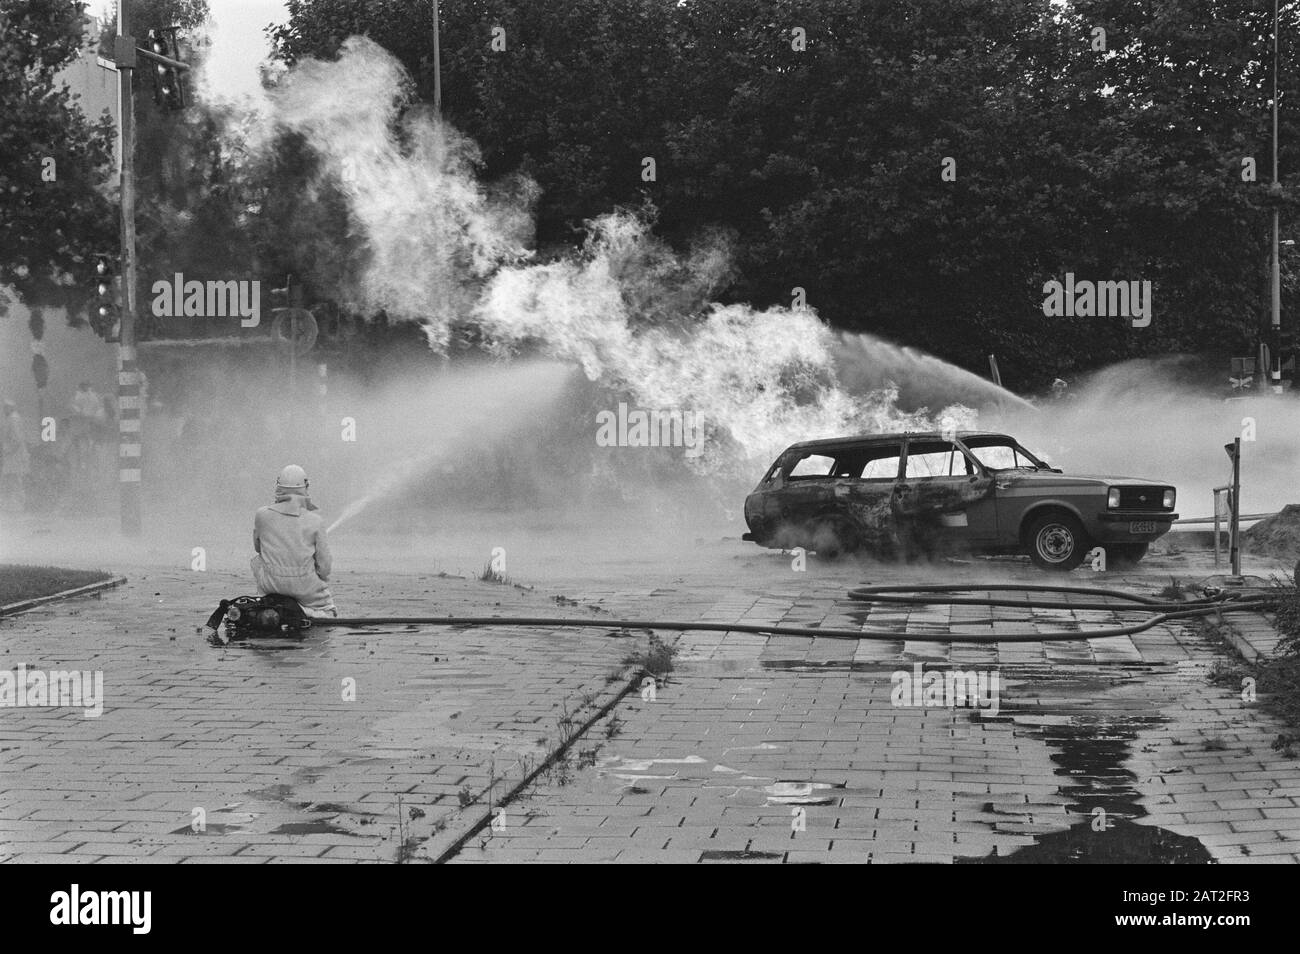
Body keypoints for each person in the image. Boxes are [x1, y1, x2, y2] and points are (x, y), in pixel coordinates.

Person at [250, 464, 337, 618]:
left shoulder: (261, 515)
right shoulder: (315, 521)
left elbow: (258, 548)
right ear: (306, 487)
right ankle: (308, 612)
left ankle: (268, 605)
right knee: (328, 611)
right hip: (307, 590)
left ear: (278, 487)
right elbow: (325, 567)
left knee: (257, 561)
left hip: (271, 586)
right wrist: (318, 580)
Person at [0, 400, 30, 510]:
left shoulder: (13, 419)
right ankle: (13, 504)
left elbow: (16, 439)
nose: (4, 410)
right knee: (12, 480)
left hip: (15, 456)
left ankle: (18, 505)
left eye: (5, 407)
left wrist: (6, 449)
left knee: (15, 481)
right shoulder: (12, 418)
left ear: (10, 408)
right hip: (13, 456)